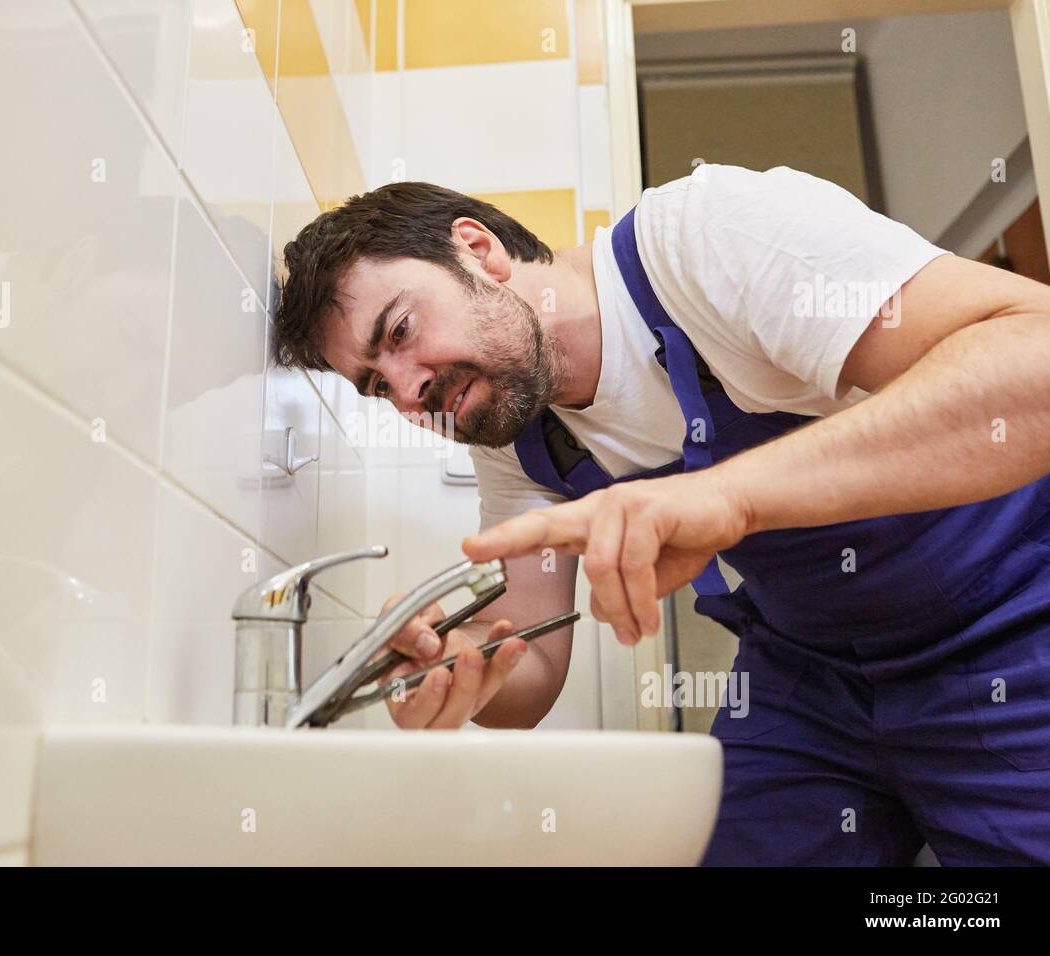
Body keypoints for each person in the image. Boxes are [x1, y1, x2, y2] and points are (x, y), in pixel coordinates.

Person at [270, 165, 1050, 865]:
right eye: (378, 384)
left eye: (400, 333)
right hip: (811, 679)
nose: (409, 392)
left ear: (478, 250)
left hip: (1011, 629)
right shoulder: (514, 431)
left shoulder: (709, 240)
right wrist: (467, 668)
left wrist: (729, 493)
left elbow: (1035, 358)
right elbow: (533, 670)